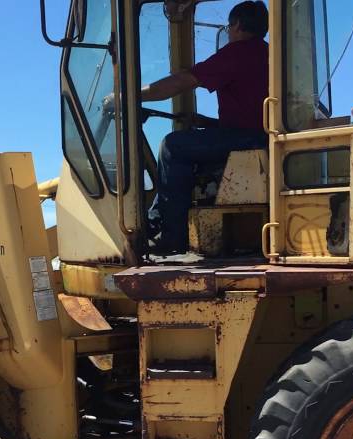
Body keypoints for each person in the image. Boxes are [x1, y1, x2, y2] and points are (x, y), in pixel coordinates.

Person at [110, 1, 269, 255]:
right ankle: (158, 220)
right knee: (190, 144)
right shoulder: (267, 54)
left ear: (237, 25)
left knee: (173, 146)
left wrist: (128, 95)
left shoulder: (237, 53)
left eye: (229, 26)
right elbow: (252, 114)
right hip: (255, 136)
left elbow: (180, 82)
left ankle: (173, 236)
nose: (228, 31)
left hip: (244, 139)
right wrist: (205, 123)